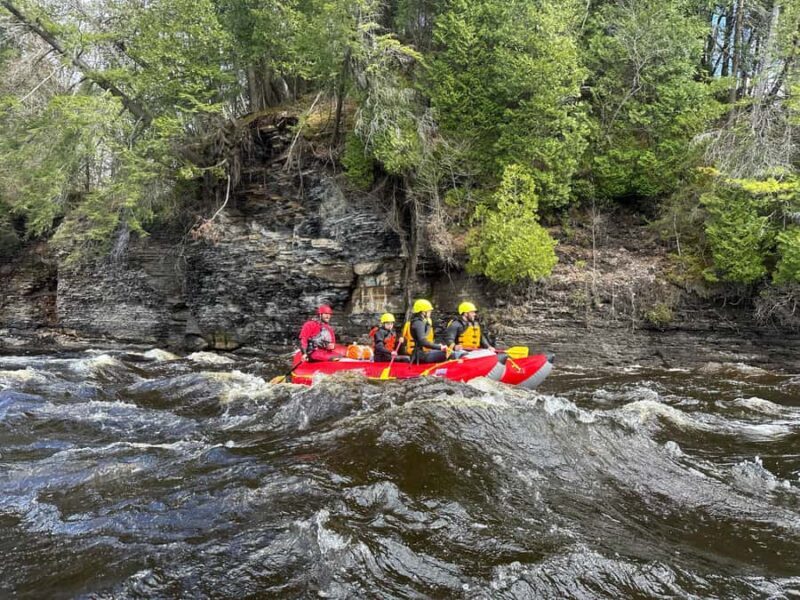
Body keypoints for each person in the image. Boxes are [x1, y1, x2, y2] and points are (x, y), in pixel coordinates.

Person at [400, 299, 449, 364]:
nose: (430, 312)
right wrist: (439, 347)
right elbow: (423, 341)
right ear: (423, 312)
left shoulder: (420, 321)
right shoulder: (418, 323)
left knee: (447, 351)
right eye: (429, 311)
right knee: (448, 353)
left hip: (422, 353)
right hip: (420, 356)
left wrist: (438, 346)